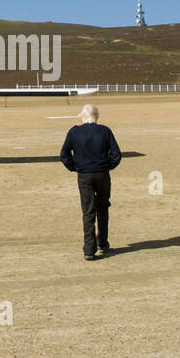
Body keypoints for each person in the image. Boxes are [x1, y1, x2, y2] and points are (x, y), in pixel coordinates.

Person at [59, 103, 122, 261]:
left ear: (82, 115)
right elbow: (116, 154)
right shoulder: (105, 131)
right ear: (97, 116)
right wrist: (107, 166)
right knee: (103, 207)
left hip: (84, 175)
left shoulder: (74, 132)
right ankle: (103, 242)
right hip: (102, 174)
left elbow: (64, 154)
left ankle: (89, 248)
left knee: (88, 211)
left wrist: (74, 167)